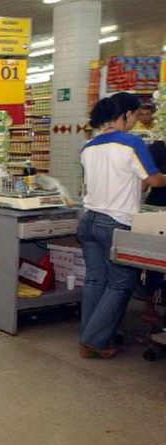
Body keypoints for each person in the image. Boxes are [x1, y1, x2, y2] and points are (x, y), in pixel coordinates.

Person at [79, 92, 166, 359]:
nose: (135, 122)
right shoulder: (131, 143)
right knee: (120, 284)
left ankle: (91, 334)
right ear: (125, 115)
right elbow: (154, 181)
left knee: (95, 280)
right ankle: (94, 340)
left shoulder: (88, 146)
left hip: (89, 220)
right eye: (134, 116)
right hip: (116, 223)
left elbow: (120, 180)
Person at [140, 139, 166, 323]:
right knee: (155, 262)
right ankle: (149, 304)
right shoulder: (158, 148)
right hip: (157, 211)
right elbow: (146, 181)